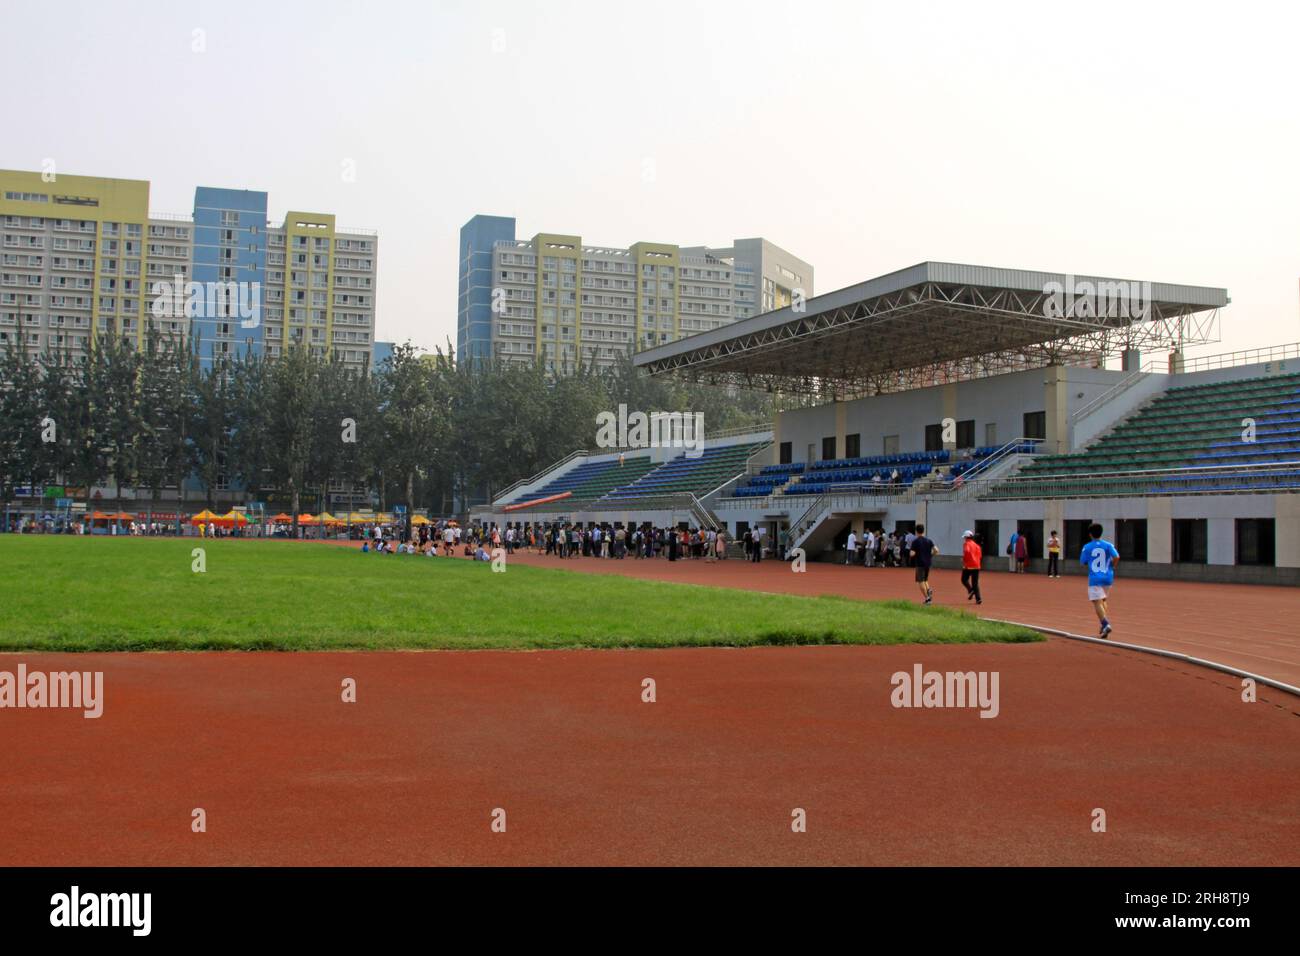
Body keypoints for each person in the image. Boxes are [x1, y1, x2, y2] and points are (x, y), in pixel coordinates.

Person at [1080, 523, 1120, 638]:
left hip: (1095, 578)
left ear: (1090, 534)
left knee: (1096, 602)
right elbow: (1117, 556)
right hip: (1108, 576)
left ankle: (1105, 623)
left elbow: (1083, 562)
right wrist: (1113, 566)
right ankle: (1103, 624)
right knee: (1103, 600)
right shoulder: (1108, 545)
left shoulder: (1087, 547)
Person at [909, 524, 937, 605]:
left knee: (920, 581)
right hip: (928, 563)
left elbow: (912, 553)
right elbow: (936, 550)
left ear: (916, 531)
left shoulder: (915, 542)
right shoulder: (929, 540)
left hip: (920, 563)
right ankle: (928, 590)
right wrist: (930, 554)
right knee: (925, 580)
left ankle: (927, 598)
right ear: (923, 530)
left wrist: (912, 553)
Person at [961, 530, 982, 605]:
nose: (964, 539)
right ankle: (978, 599)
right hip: (977, 566)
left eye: (965, 537)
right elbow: (980, 556)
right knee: (975, 583)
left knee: (963, 579)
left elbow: (966, 552)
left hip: (969, 565)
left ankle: (970, 590)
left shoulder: (966, 544)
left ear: (967, 537)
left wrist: (964, 560)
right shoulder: (977, 546)